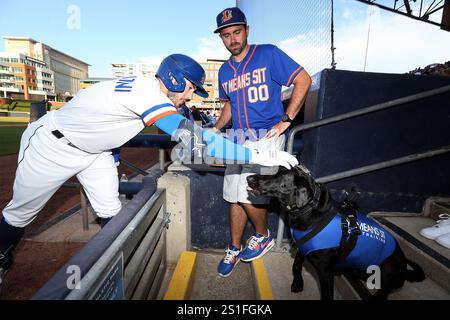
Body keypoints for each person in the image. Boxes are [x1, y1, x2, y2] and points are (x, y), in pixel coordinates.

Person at [0, 53, 299, 288]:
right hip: (52, 146)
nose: (190, 96)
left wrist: (113, 154)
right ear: (175, 79)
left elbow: (105, 121)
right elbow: (194, 138)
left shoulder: (149, 89)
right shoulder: (146, 93)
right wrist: (254, 155)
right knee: (19, 214)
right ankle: (2, 258)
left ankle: (113, 276)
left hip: (96, 153)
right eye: (191, 88)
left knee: (112, 216)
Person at [212, 7, 312, 277]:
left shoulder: (267, 53)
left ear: (246, 31)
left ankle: (263, 234)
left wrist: (287, 119)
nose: (232, 39)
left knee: (249, 191)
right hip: (238, 137)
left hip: (266, 136)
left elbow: (303, 79)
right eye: (226, 35)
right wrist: (215, 129)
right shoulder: (223, 71)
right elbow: (230, 107)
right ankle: (234, 247)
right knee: (233, 197)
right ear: (221, 38)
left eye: (236, 32)